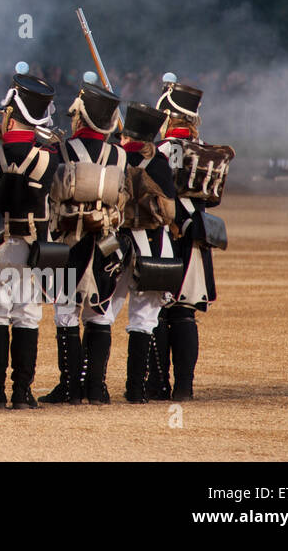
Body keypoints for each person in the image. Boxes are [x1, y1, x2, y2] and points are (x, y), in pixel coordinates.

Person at [43, 81, 128, 406]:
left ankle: (70, 388)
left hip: (70, 244)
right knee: (99, 314)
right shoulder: (119, 154)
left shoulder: (62, 150)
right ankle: (96, 387)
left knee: (66, 313)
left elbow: (53, 195)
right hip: (107, 244)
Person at [0, 69, 60, 410]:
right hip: (34, 245)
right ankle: (23, 393)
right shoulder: (50, 156)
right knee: (27, 315)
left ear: (12, 111)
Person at [151, 78, 230, 401]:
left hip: (168, 237)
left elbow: (158, 191)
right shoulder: (207, 150)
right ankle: (184, 386)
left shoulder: (165, 150)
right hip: (196, 237)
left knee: (158, 313)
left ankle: (158, 385)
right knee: (184, 314)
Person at [116, 102, 179, 403]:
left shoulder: (116, 158)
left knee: (101, 315)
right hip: (155, 247)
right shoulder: (160, 164)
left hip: (118, 246)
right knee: (144, 320)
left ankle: (91, 388)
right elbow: (169, 211)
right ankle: (136, 390)